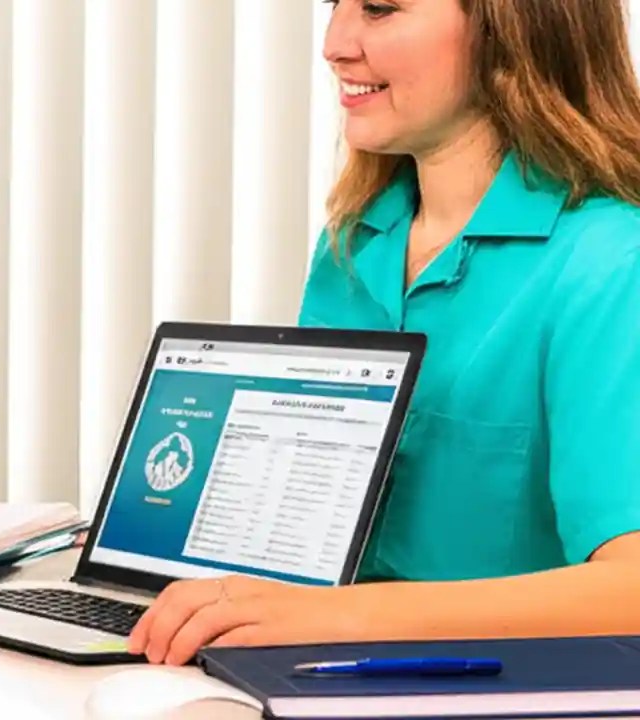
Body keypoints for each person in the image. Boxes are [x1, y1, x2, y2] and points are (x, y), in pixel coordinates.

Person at [128, 0, 640, 666]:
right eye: (335, 7)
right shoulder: (354, 240)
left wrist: (336, 617)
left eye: (379, 8)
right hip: (321, 674)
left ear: (512, 26)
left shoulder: (610, 259)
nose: (335, 44)